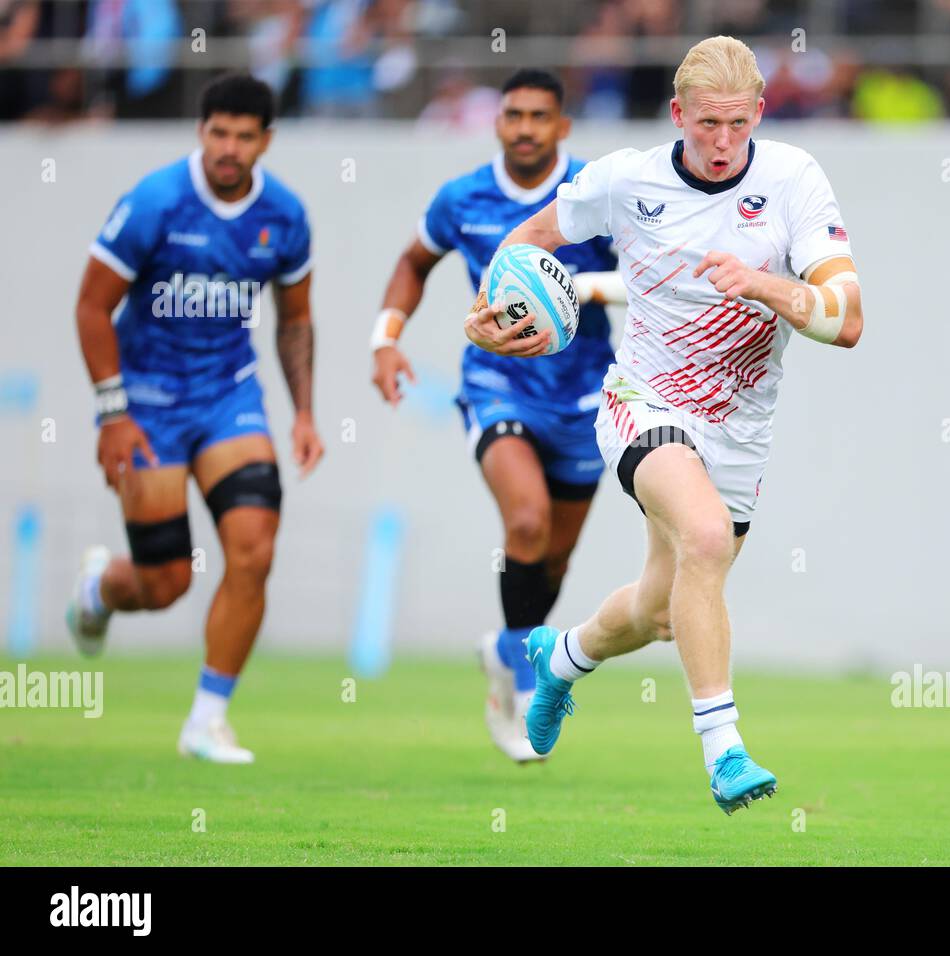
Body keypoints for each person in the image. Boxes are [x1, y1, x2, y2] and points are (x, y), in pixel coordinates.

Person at [462, 36, 864, 812]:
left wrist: (764, 285)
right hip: (644, 401)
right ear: (678, 114)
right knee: (705, 537)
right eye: (706, 123)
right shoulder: (624, 181)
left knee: (659, 611)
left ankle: (563, 661)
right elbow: (530, 239)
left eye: (737, 125)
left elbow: (848, 320)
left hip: (740, 426)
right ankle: (725, 750)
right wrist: (489, 307)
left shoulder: (794, 180)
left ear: (759, 113)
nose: (721, 143)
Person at [67, 73, 324, 764]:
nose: (229, 148)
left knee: (254, 547)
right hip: (147, 403)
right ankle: (100, 587)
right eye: (218, 133)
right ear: (200, 132)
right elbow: (91, 307)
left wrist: (304, 414)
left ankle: (206, 719)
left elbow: (294, 322)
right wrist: (111, 413)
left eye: (245, 136)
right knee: (165, 583)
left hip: (228, 400)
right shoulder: (155, 202)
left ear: (265, 141)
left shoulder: (286, 216)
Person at [369, 69, 621, 762]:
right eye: (514, 114)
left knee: (555, 558)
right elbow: (414, 261)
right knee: (527, 522)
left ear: (562, 127)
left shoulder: (594, 191)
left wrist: (574, 289)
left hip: (582, 397)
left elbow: (646, 277)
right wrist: (385, 339)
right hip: (497, 386)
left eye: (541, 116)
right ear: (498, 122)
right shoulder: (463, 199)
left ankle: (506, 650)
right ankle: (514, 683)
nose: (526, 127)